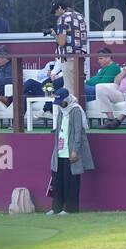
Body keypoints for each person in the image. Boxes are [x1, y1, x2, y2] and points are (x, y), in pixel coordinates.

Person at [49, 87, 94, 215]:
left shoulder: (76, 110)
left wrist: (75, 150)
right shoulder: (61, 110)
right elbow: (58, 130)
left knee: (71, 182)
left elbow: (78, 132)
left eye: (62, 102)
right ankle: (56, 208)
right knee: (57, 181)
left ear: (67, 99)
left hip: (71, 151)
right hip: (60, 151)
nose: (60, 104)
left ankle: (71, 209)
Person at [50, 0, 87, 93]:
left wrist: (55, 35)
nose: (55, 14)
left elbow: (62, 42)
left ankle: (72, 108)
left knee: (69, 90)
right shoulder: (80, 16)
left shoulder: (62, 18)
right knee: (79, 89)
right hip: (80, 57)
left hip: (68, 57)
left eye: (55, 11)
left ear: (60, 8)